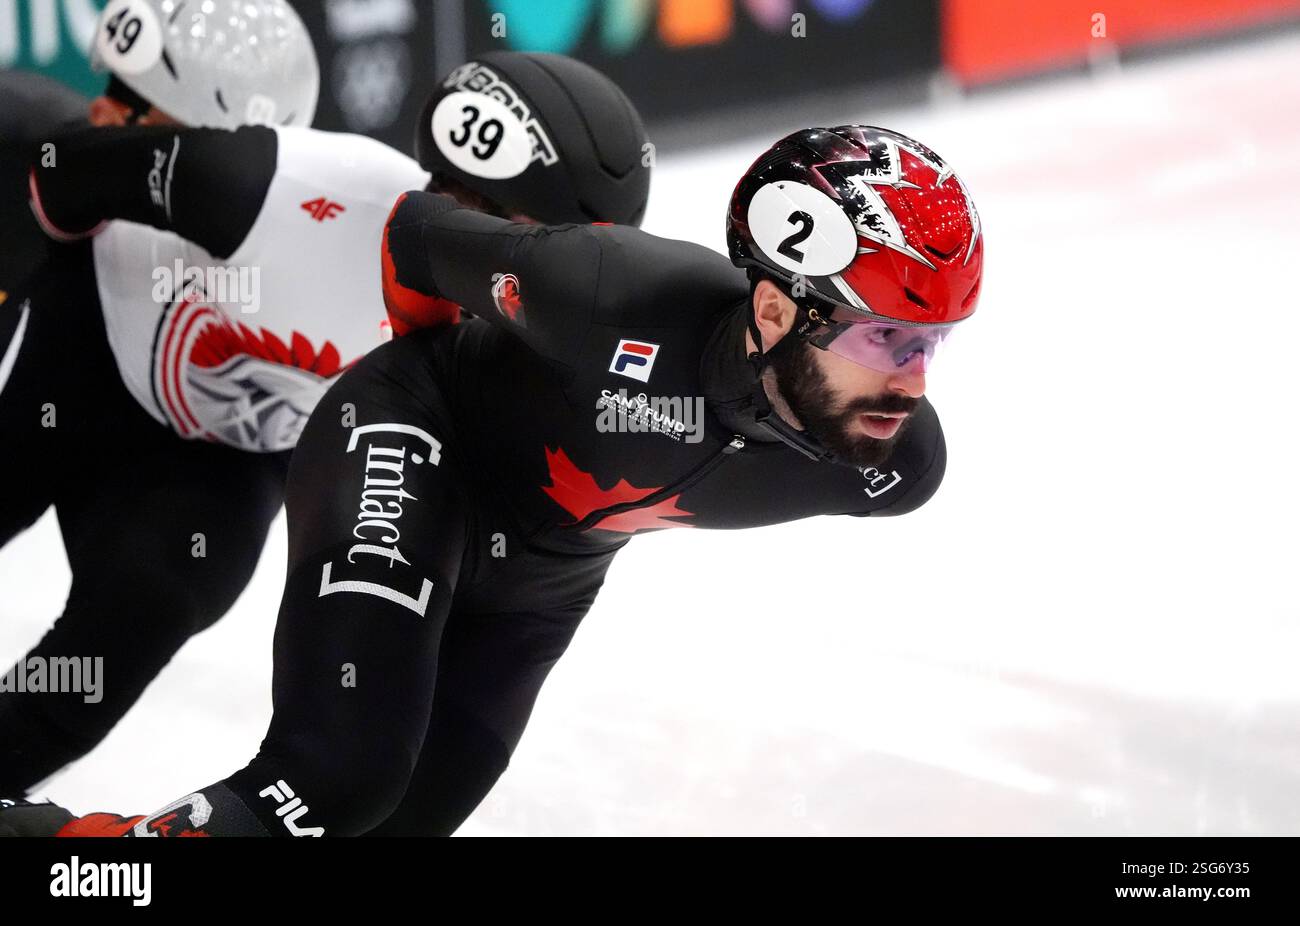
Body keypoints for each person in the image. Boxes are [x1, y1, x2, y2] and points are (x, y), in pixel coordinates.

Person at [1, 125, 982, 837]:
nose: (911, 379)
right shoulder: (612, 294)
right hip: (415, 434)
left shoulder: (894, 462)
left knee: (406, 818)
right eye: (884, 335)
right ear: (773, 307)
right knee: (337, 775)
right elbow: (409, 234)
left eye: (932, 341)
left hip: (545, 574)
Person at [0, 7, 650, 793]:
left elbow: (477, 672)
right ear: (448, 195)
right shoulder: (295, 186)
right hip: (84, 336)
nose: (531, 286)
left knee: (124, 637)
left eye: (567, 270)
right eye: (522, 248)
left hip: (223, 453)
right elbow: (64, 166)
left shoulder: (536, 367)